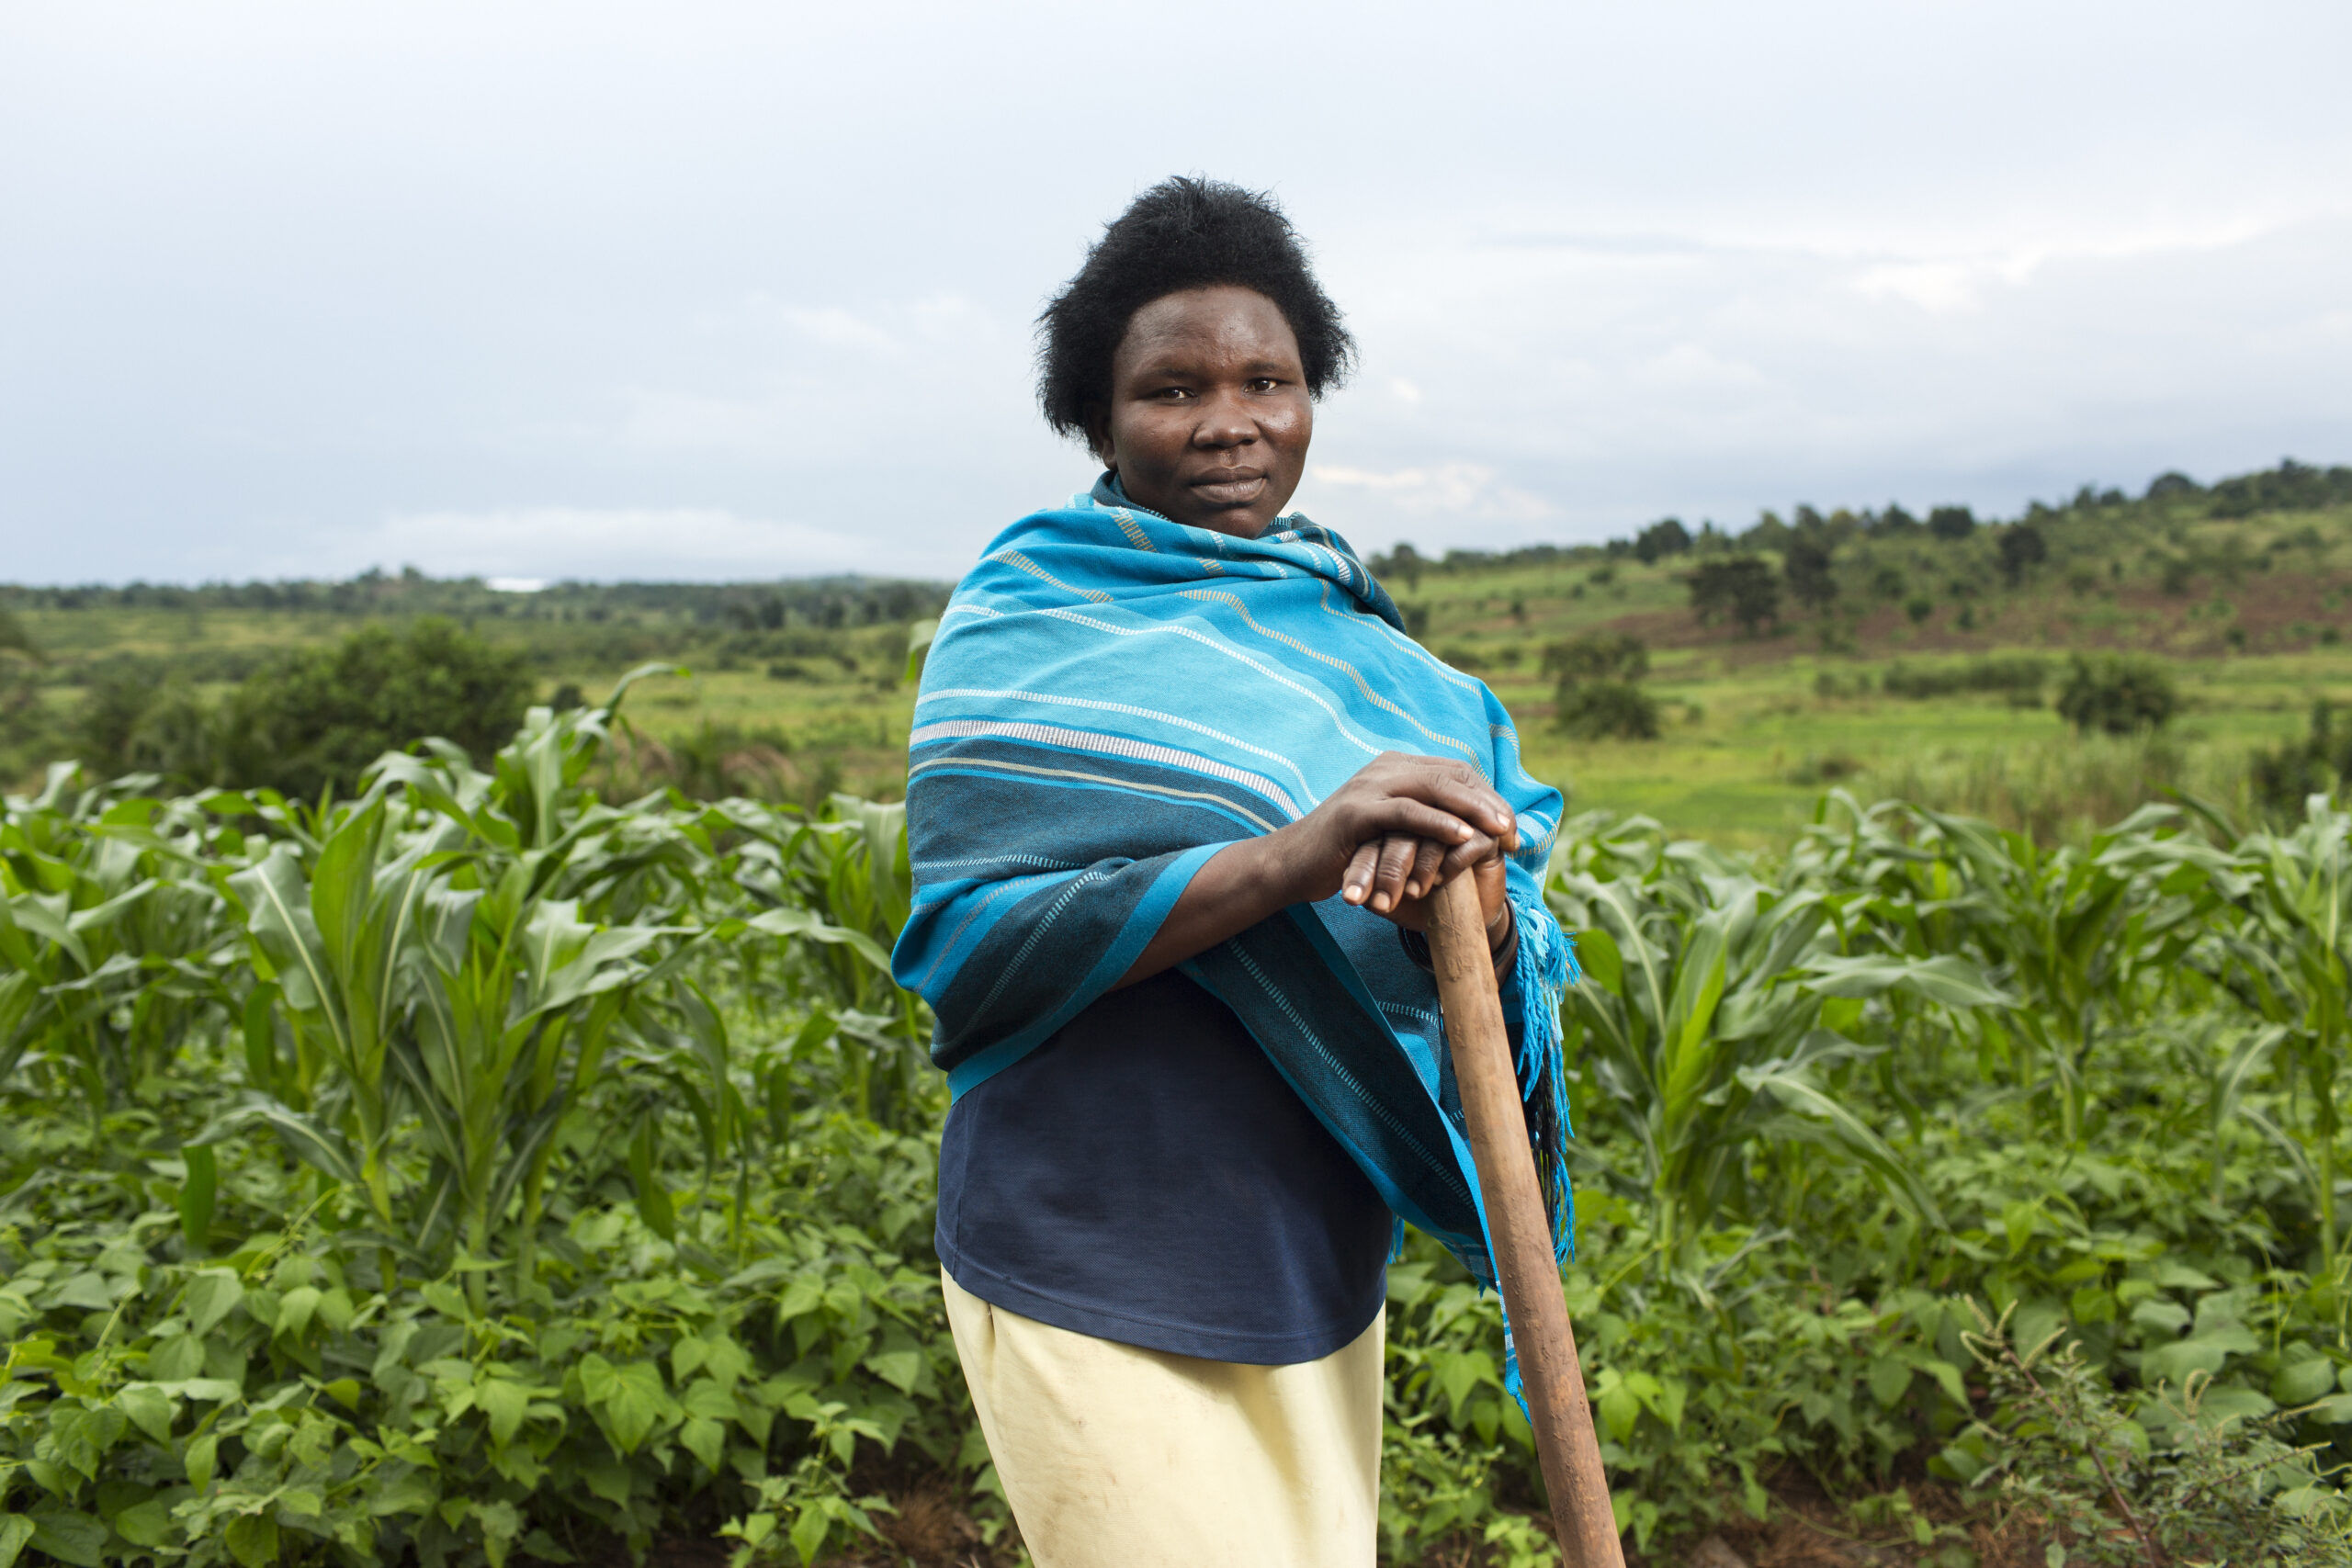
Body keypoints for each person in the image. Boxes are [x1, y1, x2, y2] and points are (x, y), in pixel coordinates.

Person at [890, 177, 1575, 1568]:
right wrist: (1291, 856)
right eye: (1173, 389)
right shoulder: (1028, 620)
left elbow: (1486, 977)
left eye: (1268, 380)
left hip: (1308, 1253)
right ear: (1098, 419)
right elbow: (969, 942)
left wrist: (1469, 906)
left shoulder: (1383, 665)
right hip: (1092, 1252)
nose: (1229, 421)